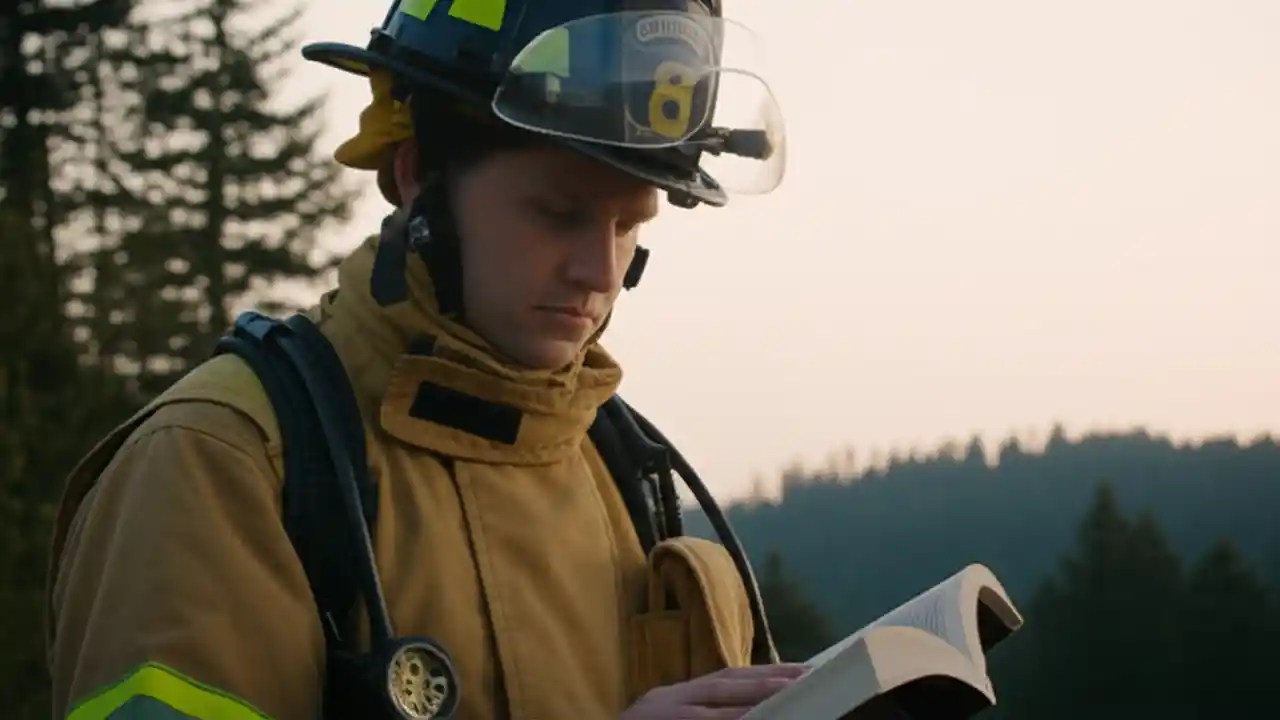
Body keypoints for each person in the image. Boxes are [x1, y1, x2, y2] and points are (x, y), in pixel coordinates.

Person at [45, 0, 805, 718]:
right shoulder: (223, 461)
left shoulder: (622, 470)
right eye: (558, 214)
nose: (600, 272)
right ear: (417, 178)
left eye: (627, 226)